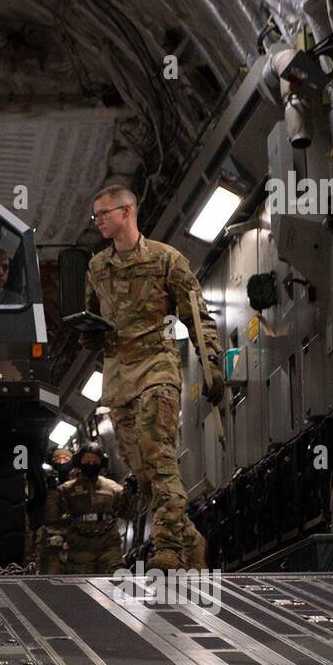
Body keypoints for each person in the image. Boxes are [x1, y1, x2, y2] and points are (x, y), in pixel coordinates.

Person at [83, 185, 224, 570]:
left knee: (160, 457)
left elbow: (198, 316)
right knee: (143, 474)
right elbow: (92, 317)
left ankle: (168, 550)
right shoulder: (97, 267)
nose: (98, 221)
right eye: (95, 215)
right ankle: (192, 543)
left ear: (127, 211)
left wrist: (211, 364)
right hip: (118, 379)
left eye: (103, 214)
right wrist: (87, 334)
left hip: (158, 370)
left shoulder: (167, 260)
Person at [39, 442, 136, 574]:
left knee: (113, 585)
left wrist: (131, 494)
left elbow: (129, 513)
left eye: (95, 460)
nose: (91, 464)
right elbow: (51, 519)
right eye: (87, 460)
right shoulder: (67, 489)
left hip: (109, 549)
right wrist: (51, 493)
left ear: (101, 462)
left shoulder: (113, 488)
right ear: (80, 462)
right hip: (79, 551)